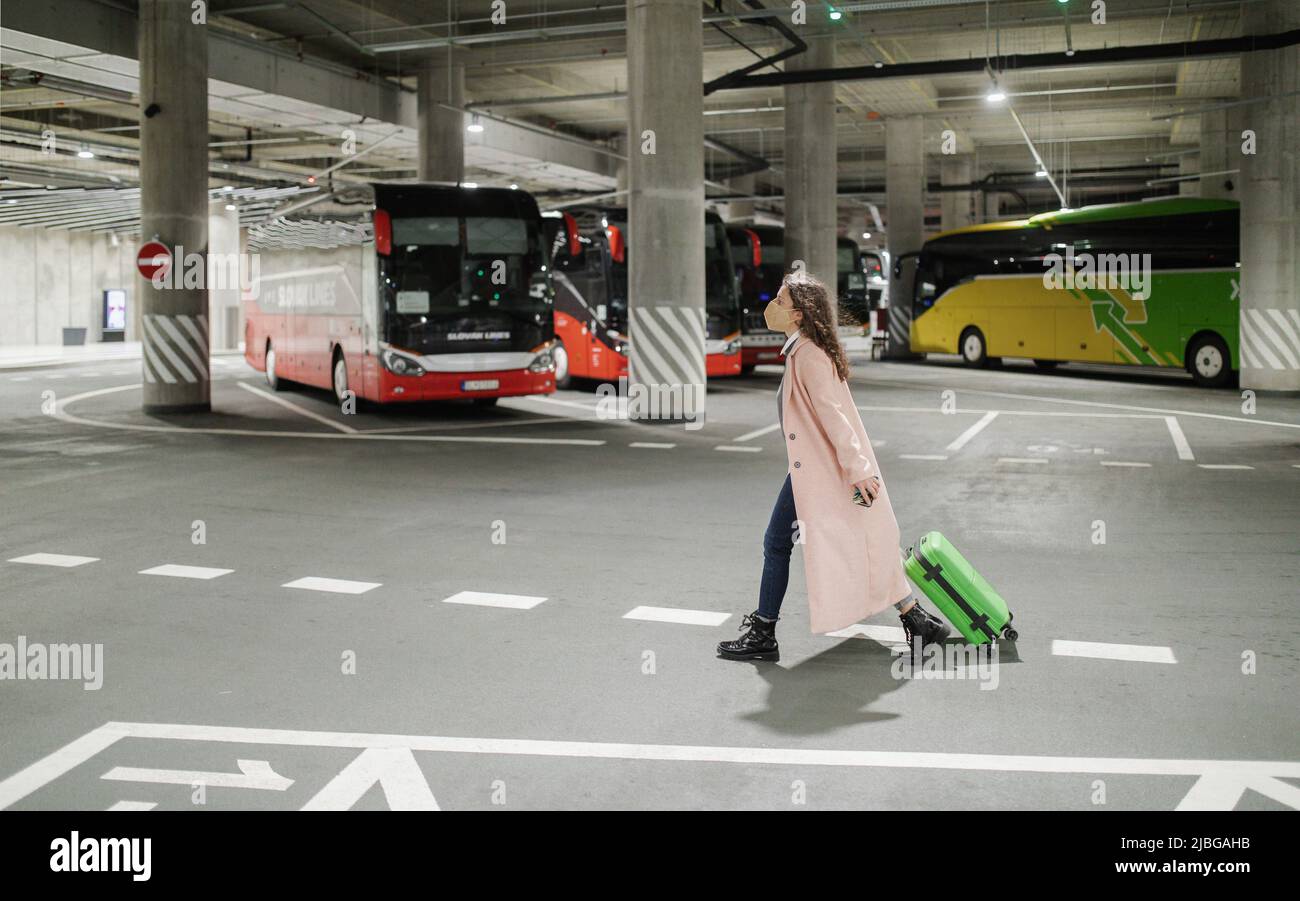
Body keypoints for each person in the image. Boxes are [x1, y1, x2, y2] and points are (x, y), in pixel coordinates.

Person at [717, 270, 950, 663]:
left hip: (823, 472)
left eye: (780, 301)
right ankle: (916, 620)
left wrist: (858, 471)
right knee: (861, 538)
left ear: (797, 314)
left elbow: (835, 418)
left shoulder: (808, 356)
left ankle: (763, 633)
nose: (771, 307)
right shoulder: (803, 350)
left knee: (780, 542)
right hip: (817, 470)